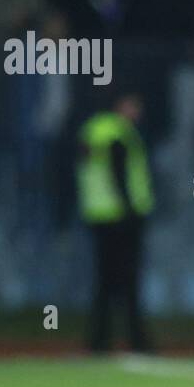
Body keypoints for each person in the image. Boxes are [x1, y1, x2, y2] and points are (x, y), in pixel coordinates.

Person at [77, 91, 154, 353]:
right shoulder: (118, 133)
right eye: (134, 105)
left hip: (97, 216)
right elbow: (118, 174)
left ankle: (99, 340)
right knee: (129, 283)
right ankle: (136, 340)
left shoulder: (93, 130)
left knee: (104, 284)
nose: (137, 112)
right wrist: (130, 210)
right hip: (121, 219)